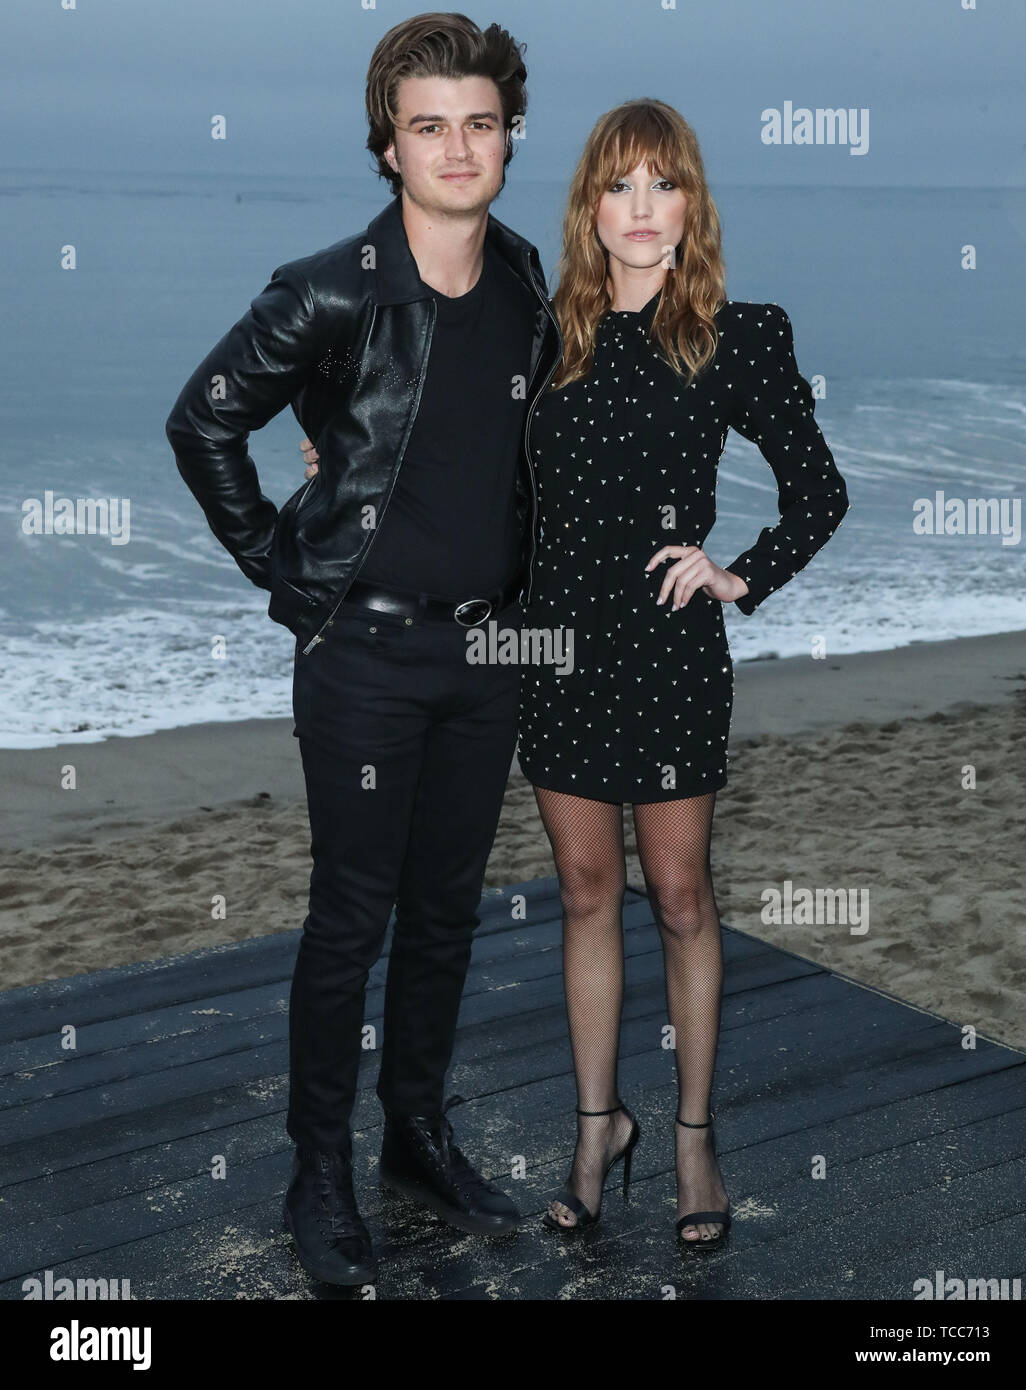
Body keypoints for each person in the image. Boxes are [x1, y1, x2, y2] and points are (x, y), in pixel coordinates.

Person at [299, 100, 851, 1254]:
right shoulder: (548, 333)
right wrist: (337, 442)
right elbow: (433, 417)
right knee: (585, 896)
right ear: (588, 208)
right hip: (548, 655)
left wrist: (734, 573)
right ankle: (596, 1128)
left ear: (690, 204)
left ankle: (694, 1134)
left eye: (663, 186)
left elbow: (819, 491)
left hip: (668, 658)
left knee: (683, 898)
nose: (640, 210)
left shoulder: (735, 335)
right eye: (618, 188)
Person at [165, 13, 562, 1286]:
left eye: (480, 123)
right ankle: (316, 1171)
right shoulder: (329, 286)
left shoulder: (521, 280)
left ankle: (415, 1136)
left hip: (486, 654)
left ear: (509, 136)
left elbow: (511, 455)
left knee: (446, 912)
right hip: (366, 658)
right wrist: (282, 566)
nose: (457, 147)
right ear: (387, 146)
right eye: (429, 125)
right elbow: (203, 422)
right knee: (350, 920)